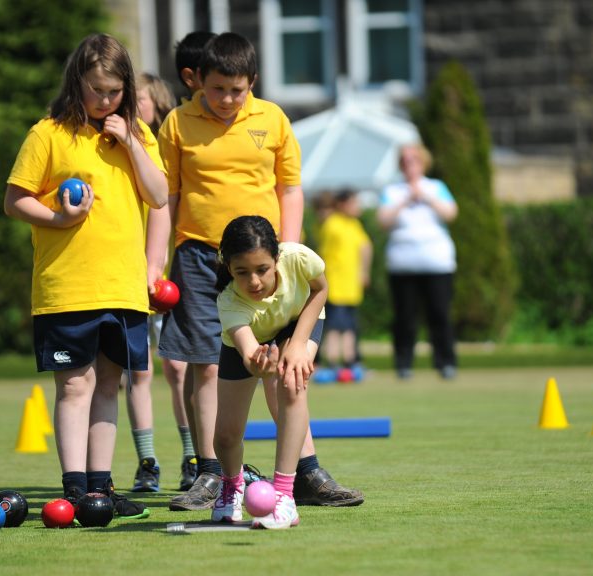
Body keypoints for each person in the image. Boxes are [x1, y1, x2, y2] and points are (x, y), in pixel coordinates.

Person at [152, 32, 363, 512]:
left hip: (267, 260)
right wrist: (156, 262)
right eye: (217, 89)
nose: (227, 99)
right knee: (208, 363)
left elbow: (290, 187)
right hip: (201, 258)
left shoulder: (273, 118)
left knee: (284, 367)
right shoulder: (178, 124)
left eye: (237, 90)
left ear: (253, 83)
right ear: (198, 81)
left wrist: (287, 250)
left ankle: (305, 474)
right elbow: (167, 197)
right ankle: (211, 473)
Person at [4, 33, 168, 518]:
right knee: (75, 385)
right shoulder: (48, 133)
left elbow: (159, 196)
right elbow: (15, 199)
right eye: (96, 89)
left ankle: (102, 486)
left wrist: (130, 142)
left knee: (109, 383)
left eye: (114, 92)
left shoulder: (138, 134)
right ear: (77, 81)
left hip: (122, 284)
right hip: (67, 285)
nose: (104, 100)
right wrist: (59, 218)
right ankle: (74, 489)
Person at [212, 216, 327, 529]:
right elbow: (250, 355)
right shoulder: (230, 301)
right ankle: (232, 486)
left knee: (291, 382)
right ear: (229, 268)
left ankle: (284, 497)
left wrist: (298, 343)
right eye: (242, 272)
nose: (254, 282)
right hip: (249, 344)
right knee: (225, 435)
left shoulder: (298, 258)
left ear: (276, 259)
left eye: (262, 269)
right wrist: (259, 365)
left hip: (297, 322)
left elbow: (321, 289)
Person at [124, 72, 196, 492]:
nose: (132, 107)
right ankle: (147, 462)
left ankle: (191, 456)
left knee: (180, 367)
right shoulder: (118, 150)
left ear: (158, 104)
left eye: (140, 100)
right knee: (138, 372)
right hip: (131, 275)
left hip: (172, 276)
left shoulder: (170, 152)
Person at [377, 142, 459, 380]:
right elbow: (383, 221)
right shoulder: (392, 191)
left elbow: (451, 213)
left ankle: (445, 362)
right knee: (405, 318)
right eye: (404, 160)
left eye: (413, 159)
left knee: (440, 315)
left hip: (437, 263)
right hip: (403, 265)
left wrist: (425, 196)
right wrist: (405, 200)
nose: (409, 164)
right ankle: (403, 364)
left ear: (423, 161)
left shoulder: (436, 187)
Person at [316, 189, 372, 383]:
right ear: (342, 204)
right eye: (353, 203)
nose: (357, 207)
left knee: (349, 327)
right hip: (335, 287)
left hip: (351, 288)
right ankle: (331, 364)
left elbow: (366, 247)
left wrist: (364, 271)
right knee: (333, 328)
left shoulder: (355, 225)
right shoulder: (332, 224)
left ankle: (349, 363)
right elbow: (322, 256)